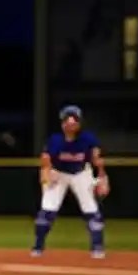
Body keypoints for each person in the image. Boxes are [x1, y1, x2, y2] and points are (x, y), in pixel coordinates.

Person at [33, 105, 109, 258]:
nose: (71, 124)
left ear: (80, 123)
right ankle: (38, 247)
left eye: (74, 120)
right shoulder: (55, 140)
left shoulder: (88, 139)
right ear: (62, 123)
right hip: (58, 173)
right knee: (47, 211)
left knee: (91, 210)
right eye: (67, 120)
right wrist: (45, 174)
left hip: (81, 173)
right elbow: (46, 159)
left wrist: (102, 177)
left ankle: (97, 247)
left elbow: (96, 159)